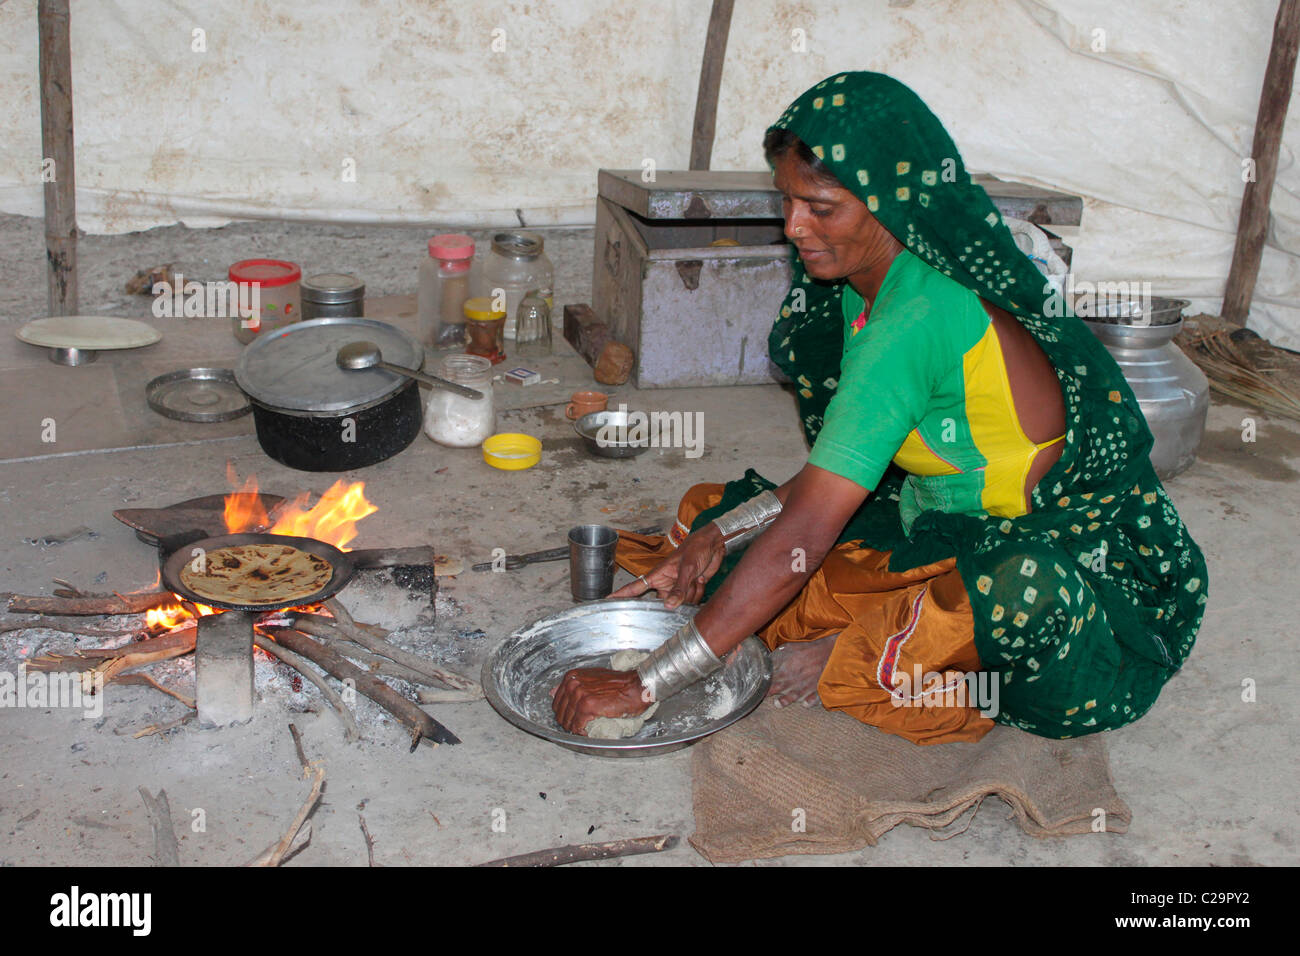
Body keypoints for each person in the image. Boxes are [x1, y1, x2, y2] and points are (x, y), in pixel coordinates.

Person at [552, 71, 1207, 744]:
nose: (793, 226)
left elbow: (805, 535)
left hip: (1035, 558)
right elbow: (834, 478)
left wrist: (648, 682)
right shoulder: (863, 286)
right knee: (706, 519)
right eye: (788, 201)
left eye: (821, 208)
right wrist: (724, 535)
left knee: (1015, 594)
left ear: (889, 203)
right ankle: (890, 635)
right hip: (930, 524)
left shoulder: (912, 319)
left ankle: (871, 658)